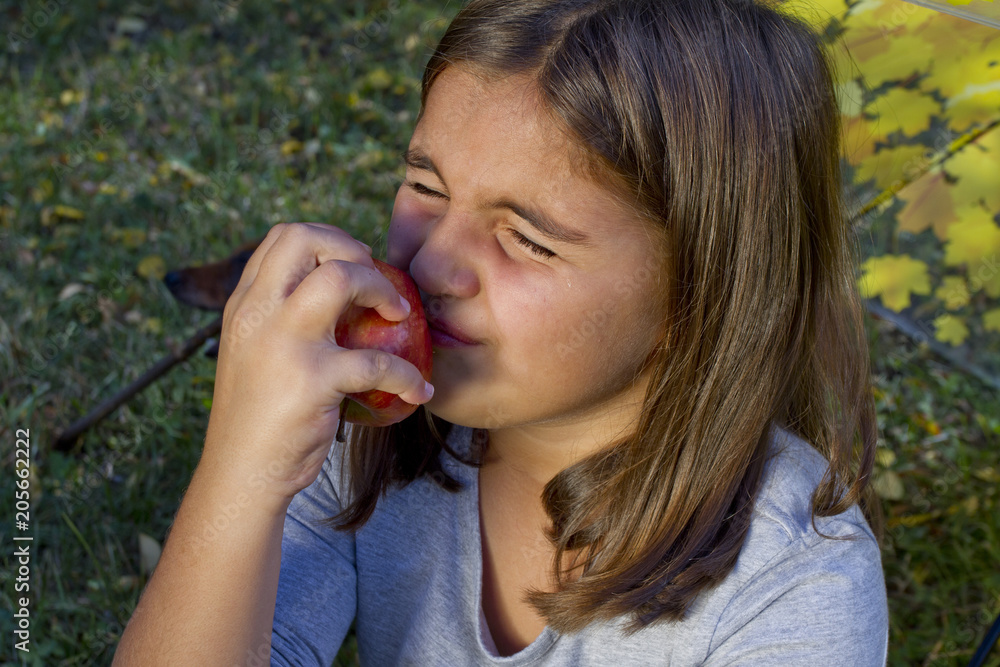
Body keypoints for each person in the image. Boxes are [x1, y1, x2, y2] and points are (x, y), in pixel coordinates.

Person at [114, 0, 889, 664]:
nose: (434, 259)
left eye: (527, 237)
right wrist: (243, 468)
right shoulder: (357, 432)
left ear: (700, 294)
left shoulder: (794, 589)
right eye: (425, 185)